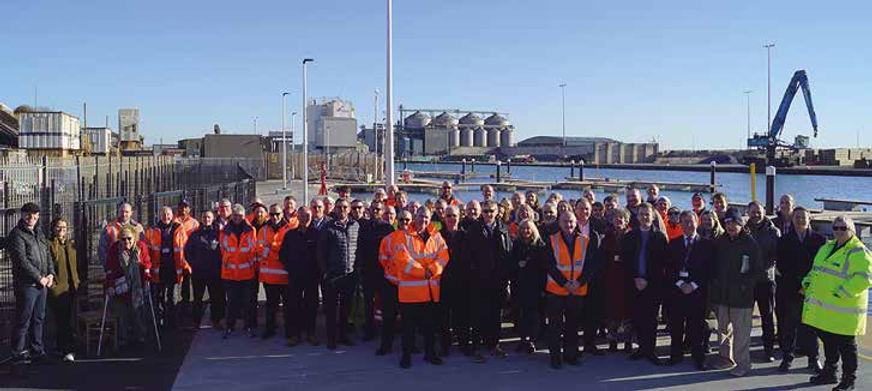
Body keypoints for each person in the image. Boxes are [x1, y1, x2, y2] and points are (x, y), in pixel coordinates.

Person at [802, 215, 871, 390]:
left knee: (847, 347)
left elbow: (865, 278)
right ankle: (830, 373)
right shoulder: (827, 247)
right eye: (836, 228)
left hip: (844, 310)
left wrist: (841, 293)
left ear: (851, 230)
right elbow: (816, 270)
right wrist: (807, 282)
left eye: (843, 228)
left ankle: (849, 380)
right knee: (829, 342)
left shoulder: (858, 251)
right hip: (827, 311)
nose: (839, 231)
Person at [707, 207, 764, 377]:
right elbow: (714, 266)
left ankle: (743, 364)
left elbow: (757, 271)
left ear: (740, 224)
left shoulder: (750, 243)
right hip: (723, 295)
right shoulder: (721, 242)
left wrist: (744, 286)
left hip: (742, 297)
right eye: (727, 223)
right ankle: (725, 358)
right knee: (723, 330)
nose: (730, 226)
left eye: (734, 223)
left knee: (741, 333)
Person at [393, 207, 449, 368]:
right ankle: (406, 356)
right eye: (420, 216)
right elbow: (402, 260)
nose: (423, 220)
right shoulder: (403, 236)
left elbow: (444, 255)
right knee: (408, 328)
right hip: (410, 293)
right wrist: (423, 272)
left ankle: (430, 354)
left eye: (426, 217)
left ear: (430, 219)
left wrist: (434, 269)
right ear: (415, 217)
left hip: (430, 292)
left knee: (429, 327)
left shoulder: (436, 235)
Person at [544, 211, 597, 369]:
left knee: (572, 325)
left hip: (577, 290)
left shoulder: (585, 241)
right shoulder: (552, 240)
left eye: (571, 222)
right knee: (555, 325)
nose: (569, 225)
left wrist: (579, 282)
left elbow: (590, 266)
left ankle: (571, 355)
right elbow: (549, 265)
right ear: (559, 223)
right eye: (565, 221)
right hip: (556, 290)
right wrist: (565, 283)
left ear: (576, 223)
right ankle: (555, 356)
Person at [776, 206, 825, 373]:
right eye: (797, 217)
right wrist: (797, 286)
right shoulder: (784, 240)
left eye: (803, 217)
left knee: (811, 326)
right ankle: (787, 357)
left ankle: (814, 359)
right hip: (792, 289)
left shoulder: (820, 240)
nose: (800, 220)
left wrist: (808, 285)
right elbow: (781, 266)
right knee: (789, 326)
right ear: (792, 219)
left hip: (813, 288)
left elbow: (821, 266)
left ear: (809, 219)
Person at [464, 199, 512, 362]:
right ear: (481, 213)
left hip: (498, 280)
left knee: (495, 314)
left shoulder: (503, 230)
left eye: (492, 211)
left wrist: (506, 278)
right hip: (479, 279)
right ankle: (477, 346)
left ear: (497, 212)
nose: (489, 214)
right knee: (478, 314)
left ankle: (494, 344)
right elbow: (468, 255)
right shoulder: (474, 230)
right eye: (485, 211)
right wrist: (473, 274)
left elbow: (508, 253)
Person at [665, 211, 713, 370]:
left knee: (697, 326)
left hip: (697, 292)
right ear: (680, 224)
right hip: (677, 291)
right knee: (676, 325)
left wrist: (693, 285)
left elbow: (709, 270)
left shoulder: (706, 244)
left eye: (691, 221)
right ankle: (675, 355)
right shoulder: (673, 243)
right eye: (685, 222)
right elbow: (669, 268)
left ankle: (698, 357)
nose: (688, 225)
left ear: (697, 222)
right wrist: (680, 284)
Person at [9, 202, 55, 364]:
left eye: (35, 216)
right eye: (29, 215)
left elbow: (47, 254)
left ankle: (37, 350)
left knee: (39, 318)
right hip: (27, 285)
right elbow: (21, 261)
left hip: (42, 284)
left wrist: (50, 273)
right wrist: (39, 277)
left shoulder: (39, 233)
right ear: (22, 215)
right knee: (24, 318)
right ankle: (18, 352)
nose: (32, 219)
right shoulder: (17, 235)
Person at [621, 202, 667, 366]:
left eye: (647, 214)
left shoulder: (660, 237)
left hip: (652, 285)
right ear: (637, 217)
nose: (644, 217)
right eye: (641, 214)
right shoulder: (629, 236)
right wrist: (635, 278)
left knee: (651, 319)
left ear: (653, 216)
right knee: (638, 317)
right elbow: (625, 261)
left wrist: (647, 280)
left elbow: (662, 264)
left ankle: (650, 350)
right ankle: (641, 348)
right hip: (634, 283)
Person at [317, 198, 361, 350]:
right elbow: (320, 252)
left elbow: (359, 249)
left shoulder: (355, 226)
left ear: (349, 209)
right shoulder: (327, 227)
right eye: (339, 207)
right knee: (331, 309)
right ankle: (331, 338)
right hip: (332, 275)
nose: (342, 209)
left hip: (349, 274)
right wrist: (325, 272)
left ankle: (343, 335)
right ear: (335, 209)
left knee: (345, 308)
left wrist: (357, 269)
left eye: (345, 207)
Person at [104, 226, 152, 349]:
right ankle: (123, 338)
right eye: (123, 239)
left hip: (136, 285)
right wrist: (110, 285)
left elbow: (146, 263)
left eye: (129, 238)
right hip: (121, 285)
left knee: (137, 310)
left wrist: (147, 279)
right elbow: (109, 269)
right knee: (121, 312)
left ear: (134, 237)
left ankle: (140, 336)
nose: (126, 241)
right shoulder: (115, 249)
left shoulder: (141, 247)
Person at [280, 207, 321, 346]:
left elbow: (322, 254)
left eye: (307, 215)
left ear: (311, 216)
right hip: (295, 276)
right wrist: (291, 269)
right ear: (297, 217)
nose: (305, 218)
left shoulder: (317, 234)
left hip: (312, 276)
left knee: (312, 305)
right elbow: (283, 254)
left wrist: (318, 271)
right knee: (293, 305)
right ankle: (294, 335)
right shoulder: (290, 235)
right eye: (302, 216)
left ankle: (311, 333)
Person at [144, 206, 189, 329]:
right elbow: (147, 250)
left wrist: (185, 266)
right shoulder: (152, 230)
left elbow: (185, 248)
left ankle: (172, 322)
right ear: (159, 215)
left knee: (172, 297)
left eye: (168, 214)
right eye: (163, 214)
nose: (166, 217)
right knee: (159, 296)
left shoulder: (179, 229)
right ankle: (159, 322)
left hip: (174, 269)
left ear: (172, 215)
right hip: (159, 269)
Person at [746, 201, 780, 362]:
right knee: (744, 317)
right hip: (747, 281)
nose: (756, 215)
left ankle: (769, 349)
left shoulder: (773, 231)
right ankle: (742, 349)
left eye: (758, 211)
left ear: (764, 212)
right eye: (753, 212)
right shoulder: (744, 230)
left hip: (766, 280)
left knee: (767, 316)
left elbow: (777, 255)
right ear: (748, 213)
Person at [375, 209, 413, 355]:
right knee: (388, 317)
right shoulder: (388, 239)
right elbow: (382, 259)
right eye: (402, 219)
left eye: (407, 220)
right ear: (397, 221)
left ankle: (409, 346)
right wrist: (393, 270)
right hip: (391, 283)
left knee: (408, 319)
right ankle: (386, 346)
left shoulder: (416, 239)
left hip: (409, 285)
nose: (404, 222)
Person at [507, 219, 547, 354]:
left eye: (528, 228)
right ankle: (523, 339)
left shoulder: (539, 245)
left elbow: (544, 267)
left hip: (535, 286)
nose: (526, 231)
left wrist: (543, 288)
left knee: (534, 315)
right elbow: (511, 263)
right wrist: (517, 265)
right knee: (521, 314)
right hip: (519, 285)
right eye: (523, 228)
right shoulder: (517, 244)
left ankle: (532, 340)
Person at [358, 201, 394, 341]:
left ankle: (386, 331)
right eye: (373, 209)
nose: (375, 211)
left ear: (382, 211)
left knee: (385, 303)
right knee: (368, 303)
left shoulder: (387, 228)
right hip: (367, 270)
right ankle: (369, 330)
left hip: (383, 270)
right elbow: (359, 247)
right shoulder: (363, 227)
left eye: (378, 209)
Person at [220, 204, 257, 338]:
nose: (237, 218)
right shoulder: (225, 231)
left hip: (246, 272)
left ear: (244, 216)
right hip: (230, 273)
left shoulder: (250, 230)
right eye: (235, 216)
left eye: (240, 216)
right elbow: (223, 249)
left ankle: (248, 325)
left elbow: (253, 249)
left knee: (247, 302)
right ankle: (230, 326)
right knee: (231, 302)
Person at [184, 210, 225, 330]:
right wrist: (194, 264)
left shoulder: (218, 234)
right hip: (199, 273)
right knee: (197, 298)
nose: (206, 219)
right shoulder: (195, 235)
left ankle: (216, 320)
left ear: (212, 219)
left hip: (214, 272)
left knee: (215, 297)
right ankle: (196, 322)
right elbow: (187, 251)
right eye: (204, 217)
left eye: (209, 217)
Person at [47, 217, 79, 362]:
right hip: (58, 288)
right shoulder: (49, 245)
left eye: (64, 228)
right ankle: (67, 349)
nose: (61, 230)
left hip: (71, 287)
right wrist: (53, 284)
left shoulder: (70, 244)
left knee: (67, 319)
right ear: (53, 228)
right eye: (58, 227)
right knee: (62, 320)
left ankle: (64, 347)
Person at [575, 199, 605, 356]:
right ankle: (572, 345)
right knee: (575, 313)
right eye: (581, 208)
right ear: (575, 209)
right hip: (573, 277)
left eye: (587, 209)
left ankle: (589, 343)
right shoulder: (569, 225)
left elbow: (600, 254)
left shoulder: (599, 226)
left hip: (593, 277)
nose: (584, 212)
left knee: (592, 312)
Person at [601, 208, 633, 353]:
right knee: (611, 312)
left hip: (627, 279)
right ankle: (612, 341)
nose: (618, 220)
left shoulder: (632, 236)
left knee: (628, 313)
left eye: (622, 218)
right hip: (611, 279)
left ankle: (627, 342)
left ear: (626, 220)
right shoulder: (607, 237)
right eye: (616, 218)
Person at [258, 204, 290, 339]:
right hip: (270, 276)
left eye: (277, 214)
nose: (274, 217)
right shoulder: (263, 230)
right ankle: (269, 328)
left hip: (286, 276)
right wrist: (278, 253)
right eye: (272, 214)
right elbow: (260, 250)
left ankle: (289, 330)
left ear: (282, 214)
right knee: (271, 305)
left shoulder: (289, 229)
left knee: (288, 305)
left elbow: (289, 251)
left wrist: (271, 247)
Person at [439, 205, 467, 355]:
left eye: (454, 215)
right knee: (444, 316)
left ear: (459, 217)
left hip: (461, 281)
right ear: (444, 218)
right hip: (443, 281)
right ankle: (444, 345)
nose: (451, 219)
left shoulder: (466, 236)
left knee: (461, 314)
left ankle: (463, 343)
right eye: (448, 216)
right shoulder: (438, 236)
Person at [98, 202, 145, 267]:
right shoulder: (109, 228)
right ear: (118, 212)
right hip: (115, 267)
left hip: (135, 266)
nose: (124, 214)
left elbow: (143, 249)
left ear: (131, 212)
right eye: (122, 211)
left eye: (126, 212)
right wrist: (108, 266)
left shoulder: (138, 227)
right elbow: (102, 250)